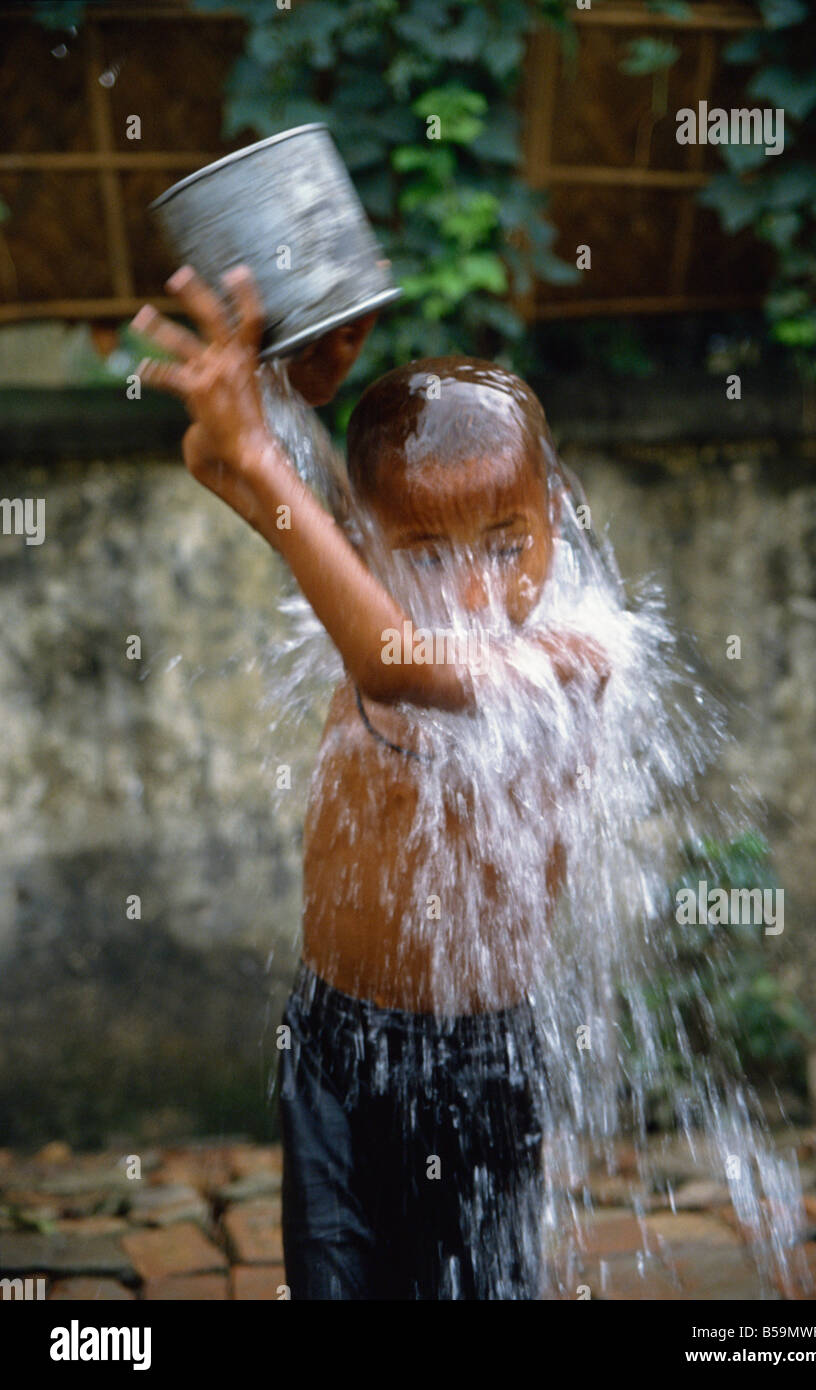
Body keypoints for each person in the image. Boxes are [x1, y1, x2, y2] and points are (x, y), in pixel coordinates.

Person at [133, 264, 609, 1300]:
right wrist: (265, 408)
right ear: (368, 546)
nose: (477, 588)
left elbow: (399, 667)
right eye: (427, 553)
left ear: (556, 517)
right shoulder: (359, 592)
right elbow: (223, 467)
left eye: (507, 542)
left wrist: (268, 444)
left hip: (481, 1062)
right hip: (332, 1047)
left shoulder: (574, 657)